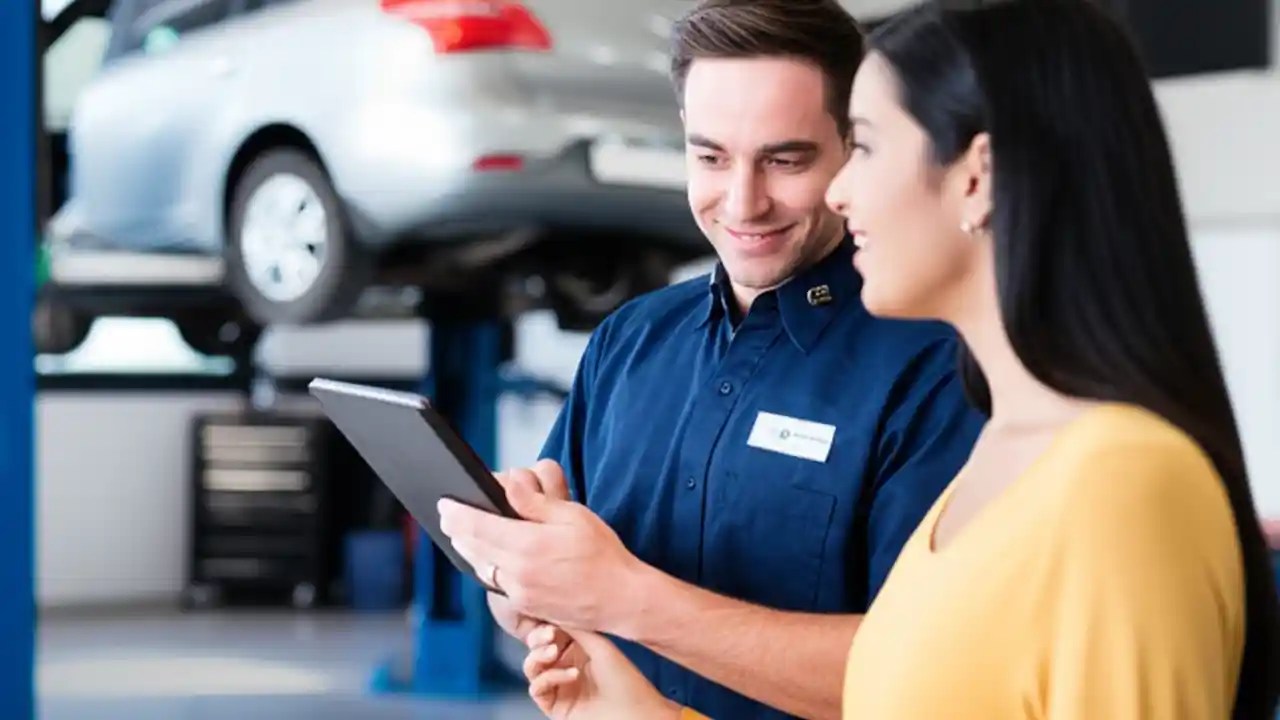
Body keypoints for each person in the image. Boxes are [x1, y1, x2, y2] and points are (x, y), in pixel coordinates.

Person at [518, 0, 1280, 718]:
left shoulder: (1123, 480)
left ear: (975, 177)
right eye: (712, 154)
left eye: (866, 146)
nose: (840, 192)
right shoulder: (1001, 471)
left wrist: (625, 598)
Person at [435, 1, 986, 718]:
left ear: (855, 151)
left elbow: (931, 677)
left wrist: (622, 597)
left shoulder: (935, 366)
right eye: (711, 157)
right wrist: (527, 578)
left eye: (785, 160)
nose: (743, 202)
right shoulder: (629, 343)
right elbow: (545, 609)